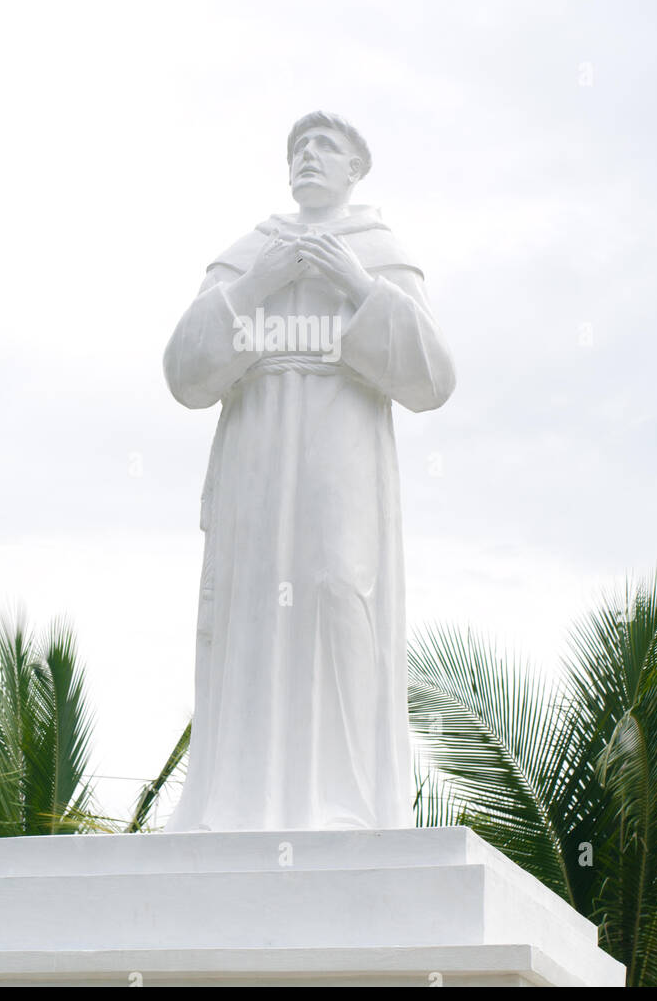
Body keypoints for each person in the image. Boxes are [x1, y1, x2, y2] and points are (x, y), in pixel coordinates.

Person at [163, 112, 456, 831]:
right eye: (298, 147)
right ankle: (235, 804)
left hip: (340, 448)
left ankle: (346, 805)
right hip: (256, 456)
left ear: (356, 168)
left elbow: (431, 379)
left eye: (325, 147)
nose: (308, 157)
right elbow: (184, 373)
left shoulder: (380, 253)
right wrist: (252, 288)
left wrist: (358, 285)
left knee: (336, 593)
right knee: (251, 603)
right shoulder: (248, 253)